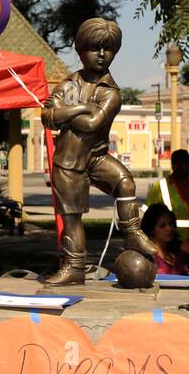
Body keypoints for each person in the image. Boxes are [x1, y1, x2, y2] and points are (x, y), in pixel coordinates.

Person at [40, 18, 156, 284]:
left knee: (125, 182)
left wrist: (64, 114)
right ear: (80, 49)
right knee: (72, 218)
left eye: (109, 49)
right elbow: (47, 116)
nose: (103, 55)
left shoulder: (110, 92)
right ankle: (74, 268)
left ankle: (132, 232)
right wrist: (81, 108)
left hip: (97, 157)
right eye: (95, 48)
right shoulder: (69, 83)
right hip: (68, 162)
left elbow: (92, 124)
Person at [139, 203, 189, 275]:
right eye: (162, 226)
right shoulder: (147, 257)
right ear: (151, 229)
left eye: (170, 223)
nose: (169, 228)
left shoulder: (175, 251)